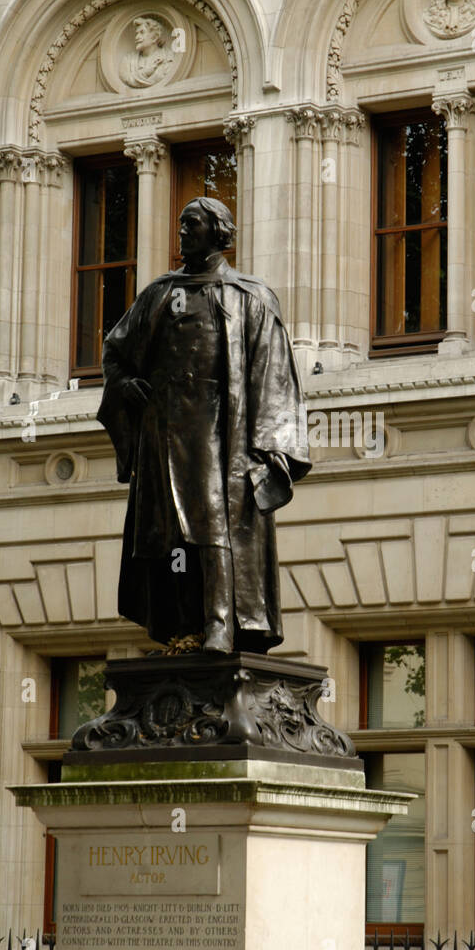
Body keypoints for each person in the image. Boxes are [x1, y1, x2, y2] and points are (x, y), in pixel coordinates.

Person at [97, 197, 310, 653]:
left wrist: (270, 449)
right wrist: (127, 384)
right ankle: (182, 623)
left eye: (192, 224)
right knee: (172, 534)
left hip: (222, 434)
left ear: (218, 231)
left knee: (215, 526)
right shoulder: (158, 293)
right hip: (164, 432)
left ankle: (220, 624)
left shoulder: (249, 296)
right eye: (181, 224)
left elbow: (274, 375)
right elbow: (114, 353)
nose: (183, 232)